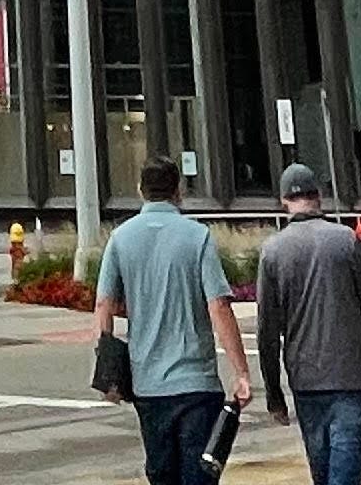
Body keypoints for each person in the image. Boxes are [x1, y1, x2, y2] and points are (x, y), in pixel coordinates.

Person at [96, 158, 252, 485]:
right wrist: (241, 372)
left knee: (161, 474)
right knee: (198, 476)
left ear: (141, 190)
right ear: (178, 191)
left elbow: (104, 305)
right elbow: (219, 307)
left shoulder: (121, 239)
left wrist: (107, 373)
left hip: (148, 385)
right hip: (197, 383)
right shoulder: (197, 237)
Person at [255, 164, 361, 485]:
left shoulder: (272, 251)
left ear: (283, 200)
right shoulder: (346, 241)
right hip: (351, 379)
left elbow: (267, 332)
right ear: (319, 197)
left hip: (305, 382)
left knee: (323, 474)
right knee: (346, 475)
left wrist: (274, 392)